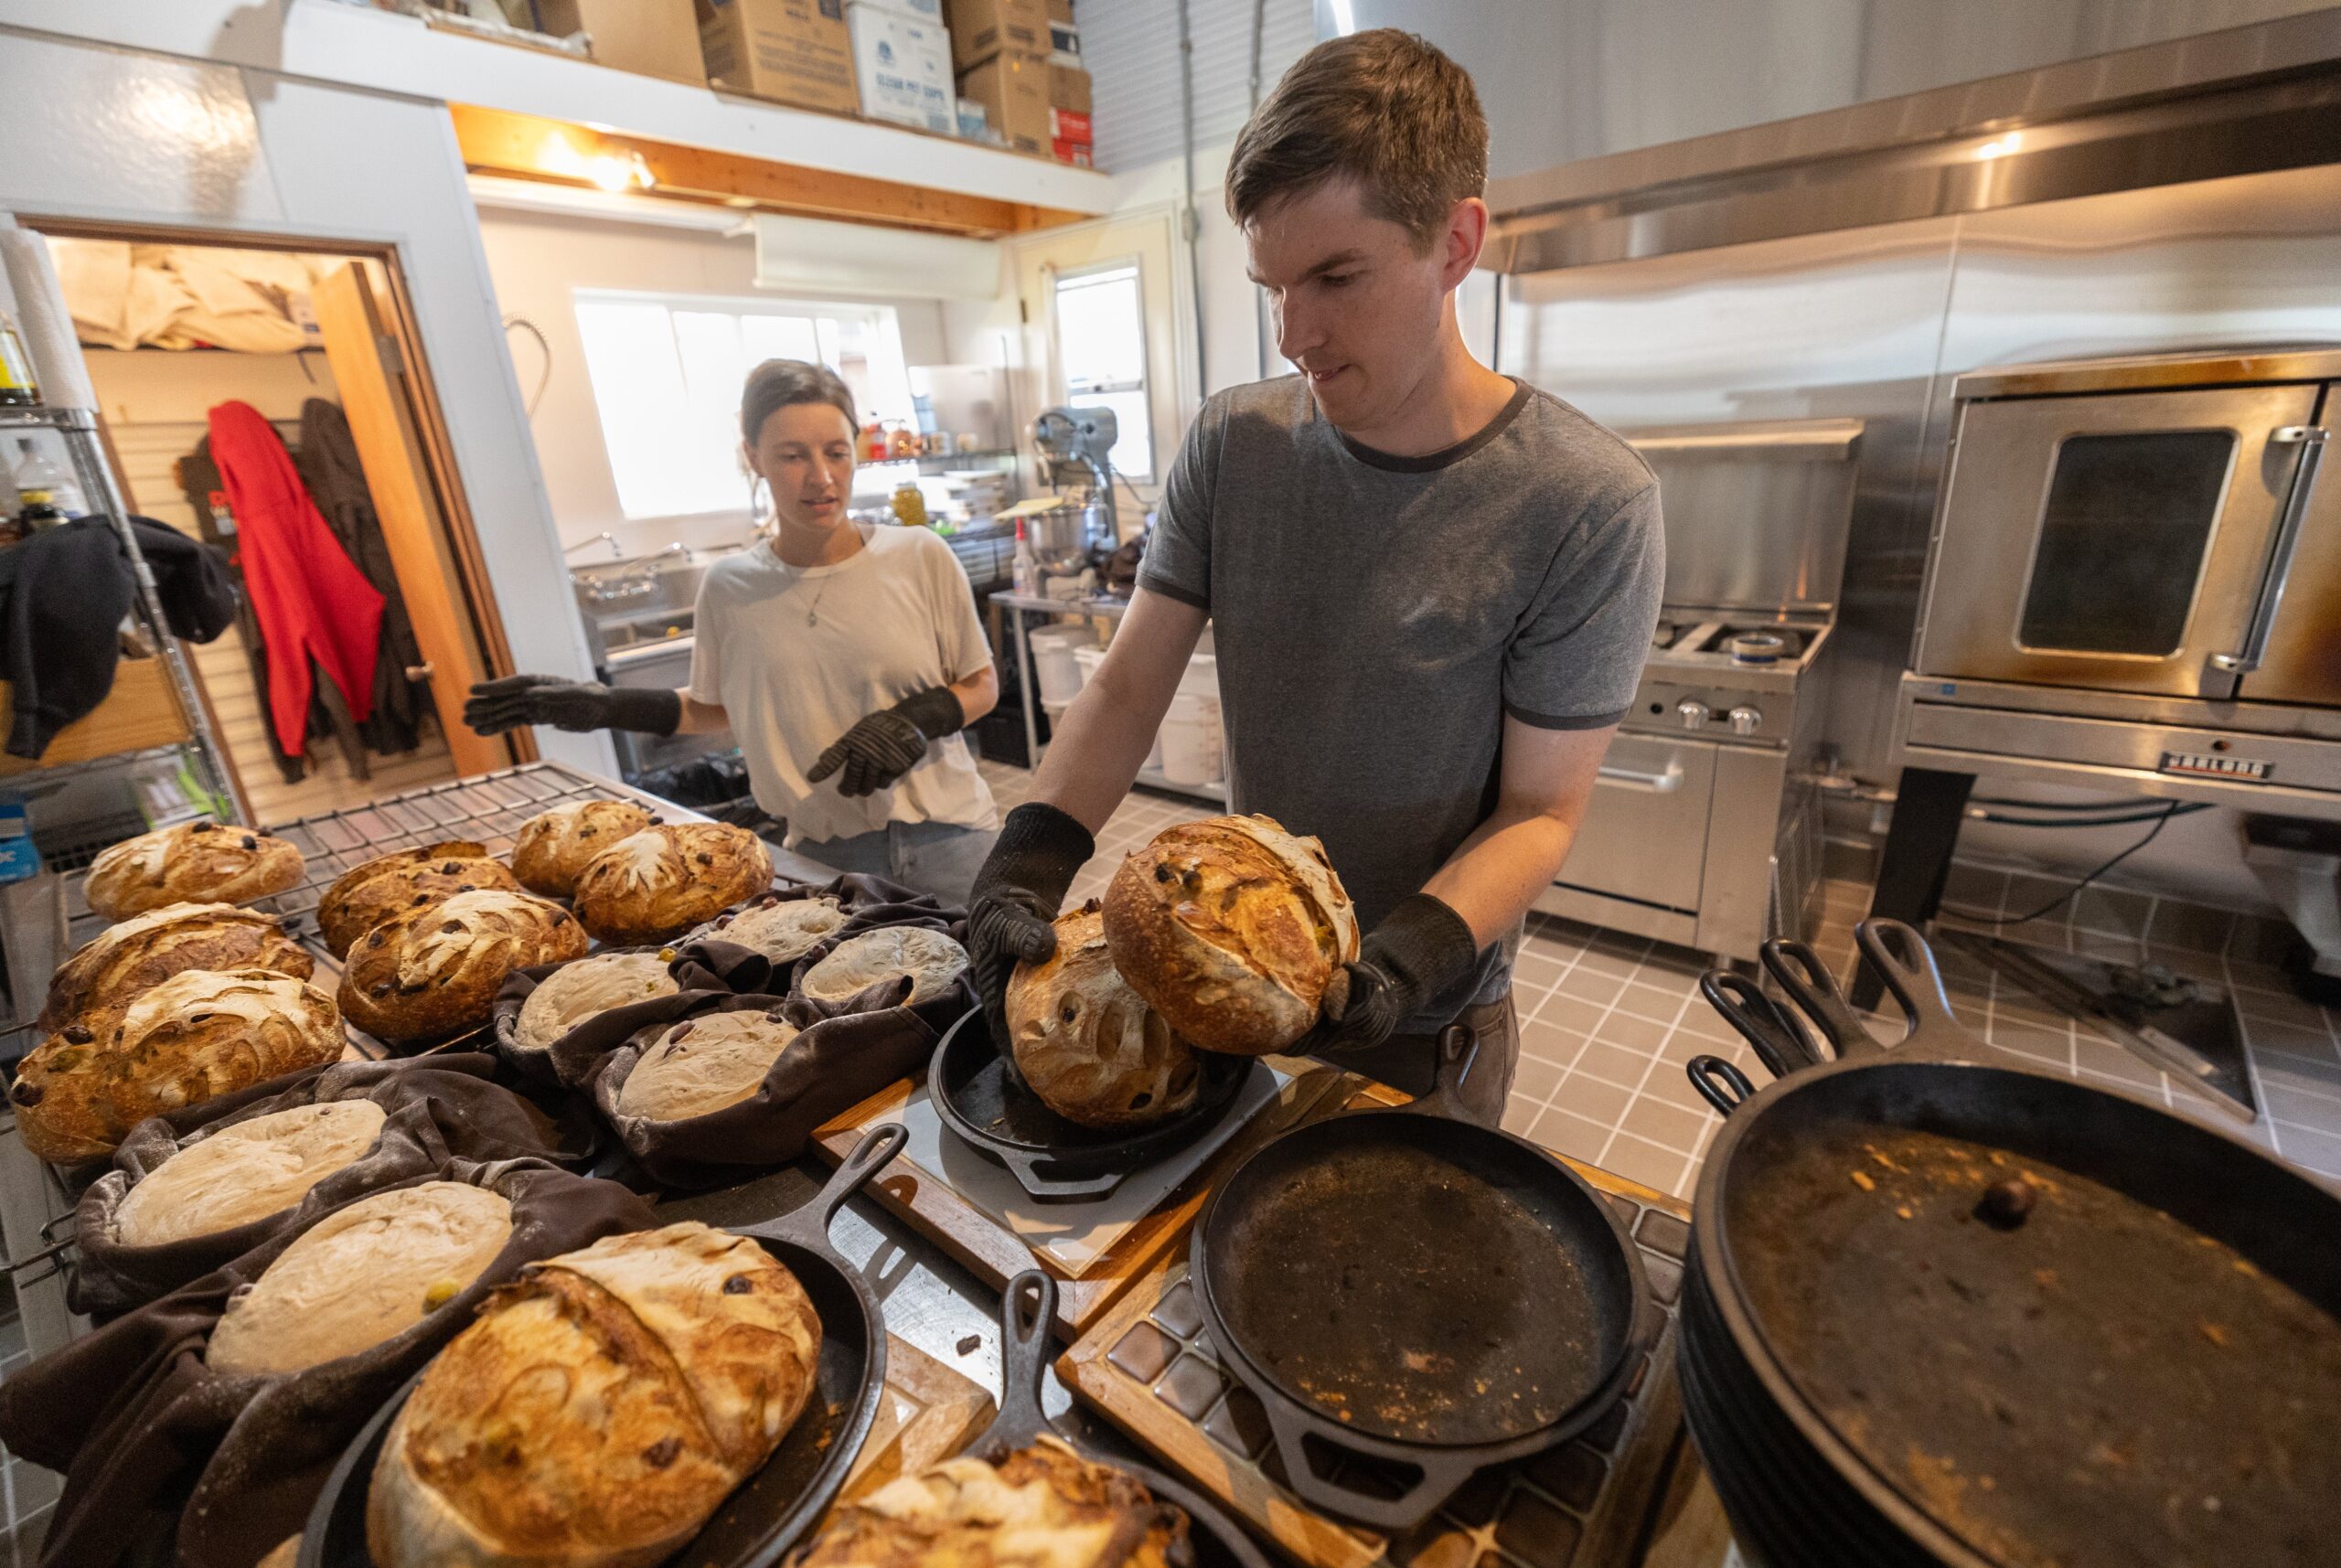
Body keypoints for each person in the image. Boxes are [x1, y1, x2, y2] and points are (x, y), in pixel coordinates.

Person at [964, 30, 1664, 1125]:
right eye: (1273, 286)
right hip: (1235, 985)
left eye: (1336, 277)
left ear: (1456, 242)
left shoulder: (1585, 501)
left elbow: (1539, 809)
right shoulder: (1233, 444)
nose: (1295, 333)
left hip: (1428, 1020)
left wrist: (1404, 958)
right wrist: (1031, 849)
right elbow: (1128, 686)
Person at [467, 359, 1003, 904]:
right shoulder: (731, 587)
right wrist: (605, 706)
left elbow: (981, 683)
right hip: (828, 856)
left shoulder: (919, 555)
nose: (820, 477)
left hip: (953, 839)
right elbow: (717, 708)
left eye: (836, 452)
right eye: (792, 456)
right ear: (753, 457)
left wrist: (916, 719)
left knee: (993, 986)